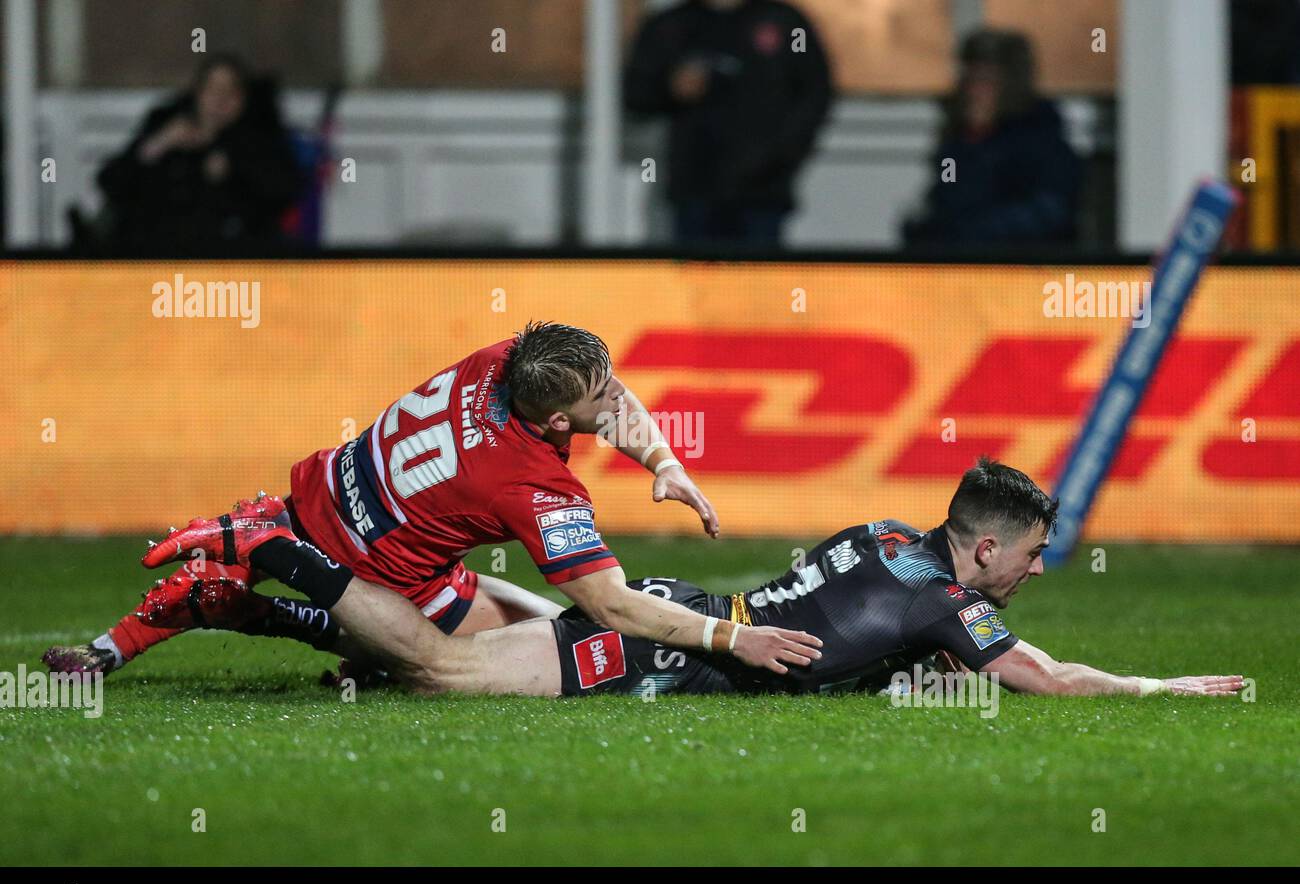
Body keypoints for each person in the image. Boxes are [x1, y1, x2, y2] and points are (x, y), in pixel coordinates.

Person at [87, 459, 1239, 701]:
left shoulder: (893, 533)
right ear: (982, 552)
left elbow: (881, 634)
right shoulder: (954, 601)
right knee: (438, 667)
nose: (1040, 568)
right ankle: (271, 556)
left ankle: (269, 602)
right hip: (664, 644)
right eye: (1031, 552)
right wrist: (1165, 689)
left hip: (686, 606)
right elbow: (1039, 677)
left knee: (484, 618)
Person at [43, 323, 821, 680]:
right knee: (483, 665)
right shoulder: (530, 483)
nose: (618, 402)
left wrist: (660, 458)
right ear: (556, 423)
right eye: (598, 402)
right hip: (375, 565)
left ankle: (137, 638)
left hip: (326, 492)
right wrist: (727, 638)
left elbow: (605, 396)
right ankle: (268, 594)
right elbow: (614, 605)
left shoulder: (505, 361)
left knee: (544, 626)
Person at [624, 0, 832, 247]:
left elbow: (814, 93)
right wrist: (671, 87)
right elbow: (636, 93)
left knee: (758, 279)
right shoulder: (672, 25)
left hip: (763, 189)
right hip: (695, 186)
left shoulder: (785, 23)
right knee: (697, 280)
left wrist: (782, 155)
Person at [89, 53, 300, 250]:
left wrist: (235, 166)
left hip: (229, 264)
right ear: (198, 94)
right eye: (213, 89)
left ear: (243, 100)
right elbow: (110, 183)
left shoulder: (258, 138)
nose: (220, 99)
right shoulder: (167, 126)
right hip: (154, 259)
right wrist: (157, 145)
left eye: (230, 92)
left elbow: (285, 191)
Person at [903, 29, 1082, 245]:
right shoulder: (957, 145)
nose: (975, 91)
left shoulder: (1042, 144)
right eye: (970, 80)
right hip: (962, 270)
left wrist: (973, 232)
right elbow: (946, 203)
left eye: (986, 81)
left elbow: (1048, 216)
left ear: (1010, 86)